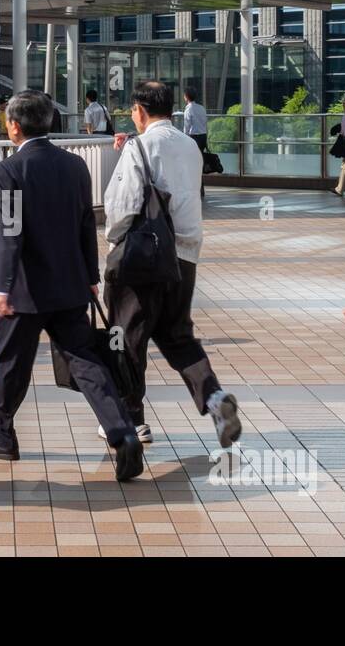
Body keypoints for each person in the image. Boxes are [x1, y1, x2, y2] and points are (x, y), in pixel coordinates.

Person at [0, 90, 145, 482]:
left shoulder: (8, 170)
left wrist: (1, 287)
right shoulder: (75, 166)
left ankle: (1, 435)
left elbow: (10, 234)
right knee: (85, 361)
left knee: (11, 363)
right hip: (69, 285)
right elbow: (86, 223)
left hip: (24, 292)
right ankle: (123, 434)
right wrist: (90, 277)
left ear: (14, 125)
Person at [102, 81, 242, 447]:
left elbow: (123, 205)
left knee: (127, 337)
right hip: (185, 254)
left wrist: (112, 240)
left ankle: (133, 421)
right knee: (178, 335)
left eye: (133, 110)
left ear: (141, 111)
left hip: (143, 257)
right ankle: (214, 399)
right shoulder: (189, 147)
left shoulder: (139, 146)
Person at [182, 86, 208, 199]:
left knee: (192, 164)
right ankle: (201, 188)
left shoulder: (189, 109)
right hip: (203, 137)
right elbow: (205, 122)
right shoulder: (201, 108)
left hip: (194, 138)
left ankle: (195, 189)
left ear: (186, 97)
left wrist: (183, 139)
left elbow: (187, 126)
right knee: (199, 163)